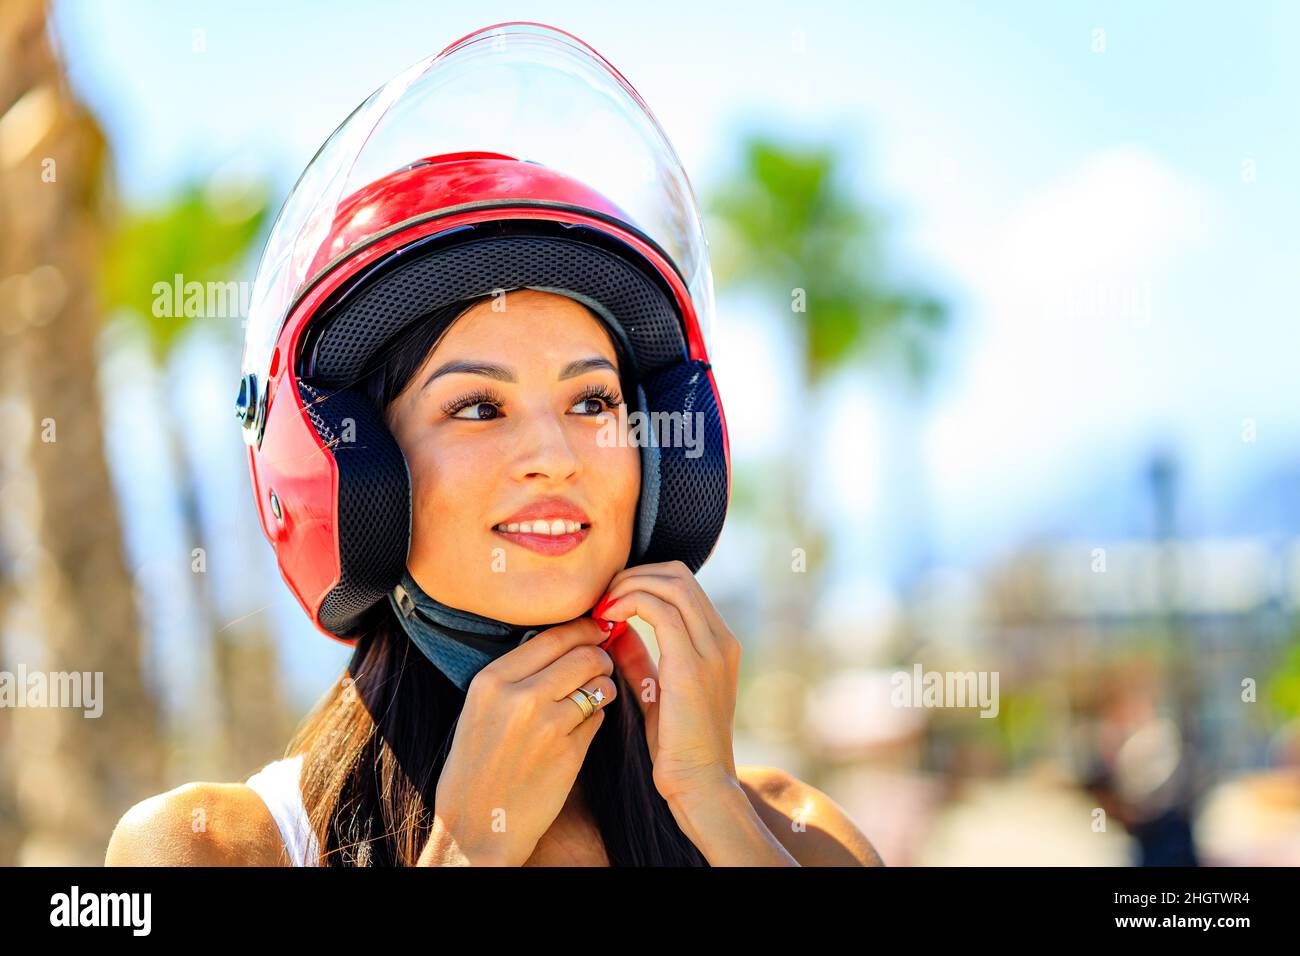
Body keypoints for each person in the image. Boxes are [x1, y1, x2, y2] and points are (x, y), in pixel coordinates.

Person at [104, 22, 884, 867]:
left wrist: (709, 805)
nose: (556, 455)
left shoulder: (795, 833)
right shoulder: (215, 848)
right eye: (478, 407)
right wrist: (465, 850)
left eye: (593, 399)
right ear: (360, 473)